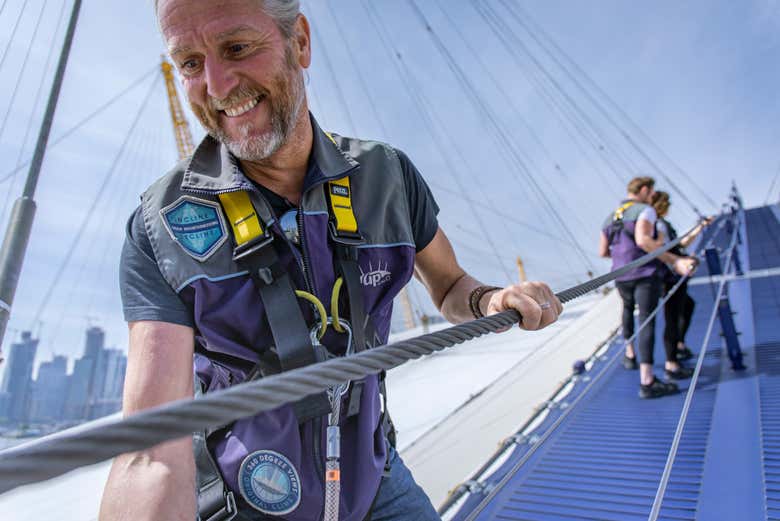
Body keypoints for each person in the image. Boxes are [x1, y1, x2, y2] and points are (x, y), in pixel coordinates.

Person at [99, 1, 563, 520]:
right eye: (189, 63)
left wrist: (490, 299)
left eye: (236, 48)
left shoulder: (386, 178)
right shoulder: (161, 227)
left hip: (377, 481)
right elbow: (150, 449)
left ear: (299, 41)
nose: (218, 83)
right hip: (247, 503)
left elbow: (451, 285)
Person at [598, 177, 697, 399]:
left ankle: (630, 353)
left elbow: (603, 251)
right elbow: (644, 240)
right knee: (646, 320)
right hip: (644, 273)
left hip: (621, 274)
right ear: (644, 190)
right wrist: (674, 260)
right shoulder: (645, 210)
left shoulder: (610, 217)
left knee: (627, 311)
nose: (653, 197)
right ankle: (647, 381)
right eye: (652, 193)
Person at [651, 191, 709, 364]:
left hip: (672, 276)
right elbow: (661, 250)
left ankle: (678, 346)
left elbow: (679, 245)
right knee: (672, 317)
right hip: (669, 277)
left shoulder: (662, 225)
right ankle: (672, 360)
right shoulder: (659, 226)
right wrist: (678, 262)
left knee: (686, 307)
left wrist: (699, 228)